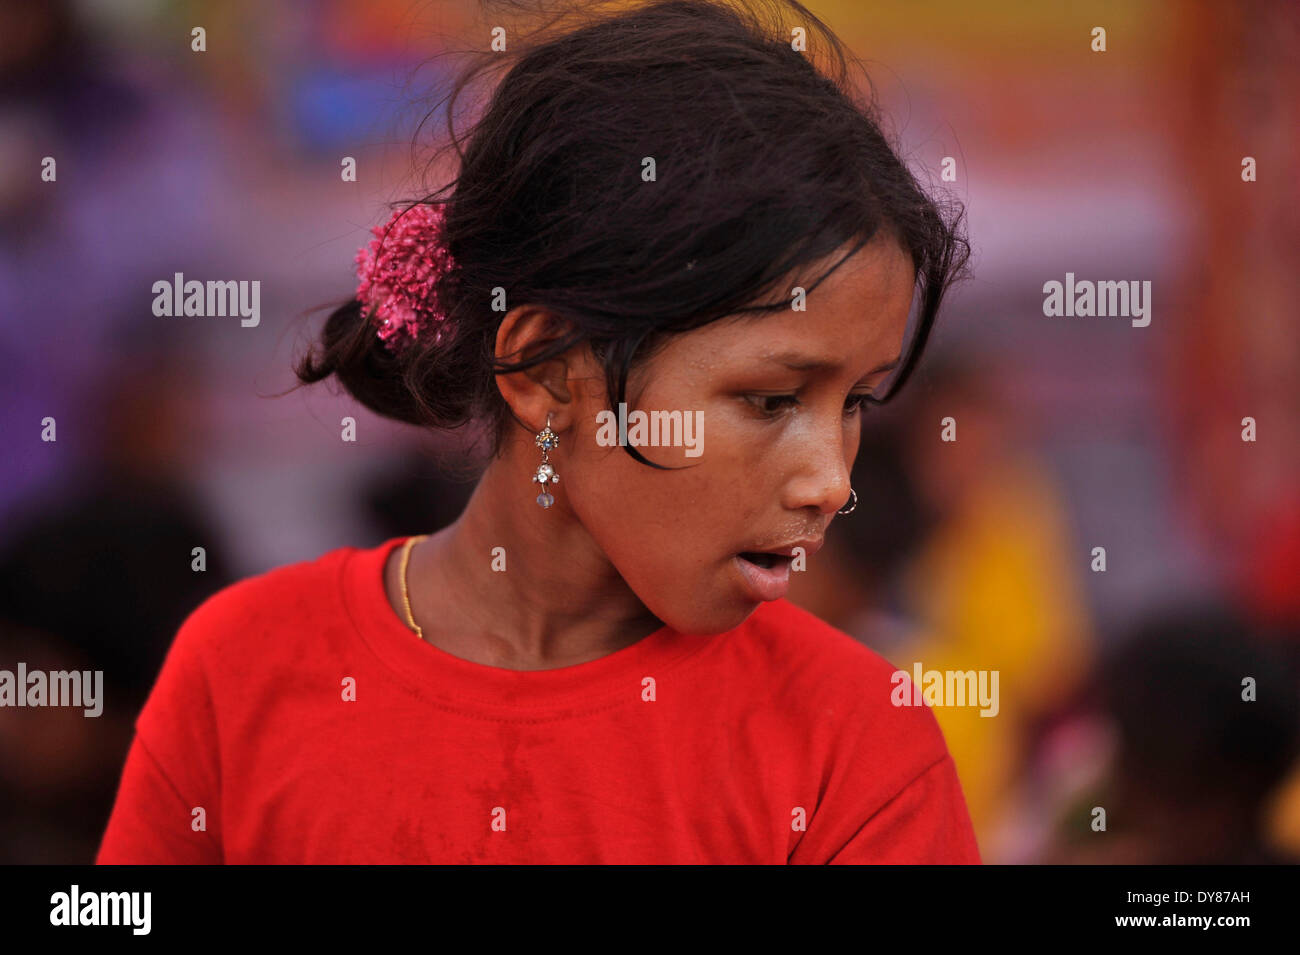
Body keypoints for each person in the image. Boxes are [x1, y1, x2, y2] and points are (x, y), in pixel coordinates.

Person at [96, 0, 978, 864]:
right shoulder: (243, 672)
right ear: (547, 369)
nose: (831, 480)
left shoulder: (858, 749)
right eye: (771, 400)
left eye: (856, 401)